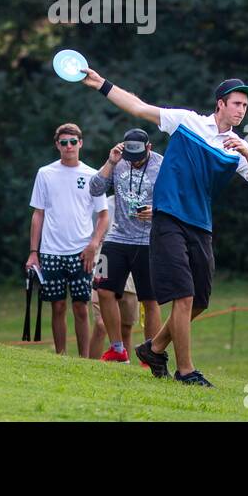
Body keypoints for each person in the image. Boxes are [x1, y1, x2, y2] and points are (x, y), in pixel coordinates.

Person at [82, 70, 248, 387]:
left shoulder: (234, 146)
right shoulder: (188, 122)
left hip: (201, 226)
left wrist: (247, 151)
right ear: (220, 104)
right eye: (237, 103)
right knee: (183, 297)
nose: (241, 110)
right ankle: (186, 371)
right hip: (168, 219)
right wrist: (102, 84)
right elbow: (139, 108)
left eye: (245, 106)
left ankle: (153, 348)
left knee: (200, 301)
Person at [24, 123, 109, 357]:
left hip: (82, 251)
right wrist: (34, 252)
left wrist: (94, 244)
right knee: (58, 305)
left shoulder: (93, 175)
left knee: (81, 307)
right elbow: (38, 213)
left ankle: (82, 359)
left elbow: (103, 216)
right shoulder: (45, 173)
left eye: (73, 142)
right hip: (51, 251)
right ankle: (61, 355)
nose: (69, 146)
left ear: (80, 143)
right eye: (64, 142)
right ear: (57, 145)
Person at [88, 128, 163, 362]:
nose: (135, 163)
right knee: (103, 290)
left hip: (149, 241)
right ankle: (118, 348)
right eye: (131, 158)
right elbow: (94, 189)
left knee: (149, 299)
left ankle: (151, 354)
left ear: (148, 148)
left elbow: (179, 198)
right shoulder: (118, 160)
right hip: (116, 237)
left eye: (139, 158)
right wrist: (110, 162)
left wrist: (157, 211)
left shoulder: (162, 165)